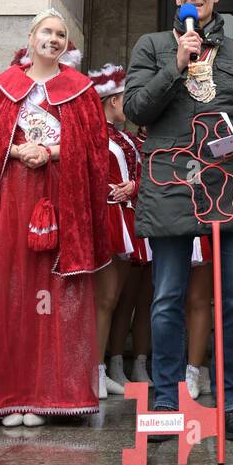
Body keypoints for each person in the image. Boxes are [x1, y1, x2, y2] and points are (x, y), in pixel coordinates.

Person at [124, 0, 233, 443]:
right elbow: (137, 109)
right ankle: (166, 401)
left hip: (229, 184)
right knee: (166, 297)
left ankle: (230, 403)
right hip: (170, 181)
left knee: (232, 298)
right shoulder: (152, 46)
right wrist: (177, 65)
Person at [0, 8, 110, 425]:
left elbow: (95, 149)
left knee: (53, 294)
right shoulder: (5, 86)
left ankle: (48, 393)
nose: (54, 39)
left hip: (60, 198)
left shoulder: (80, 89)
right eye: (47, 32)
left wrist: (51, 152)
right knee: (9, 289)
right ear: (31, 36)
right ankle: (9, 393)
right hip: (13, 199)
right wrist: (18, 150)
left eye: (61, 34)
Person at [88, 63, 141, 399]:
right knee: (102, 299)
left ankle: (101, 368)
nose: (130, 104)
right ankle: (92, 370)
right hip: (104, 218)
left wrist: (132, 187)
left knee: (114, 299)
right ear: (111, 101)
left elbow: (141, 173)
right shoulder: (91, 135)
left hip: (127, 219)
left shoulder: (127, 138)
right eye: (126, 98)